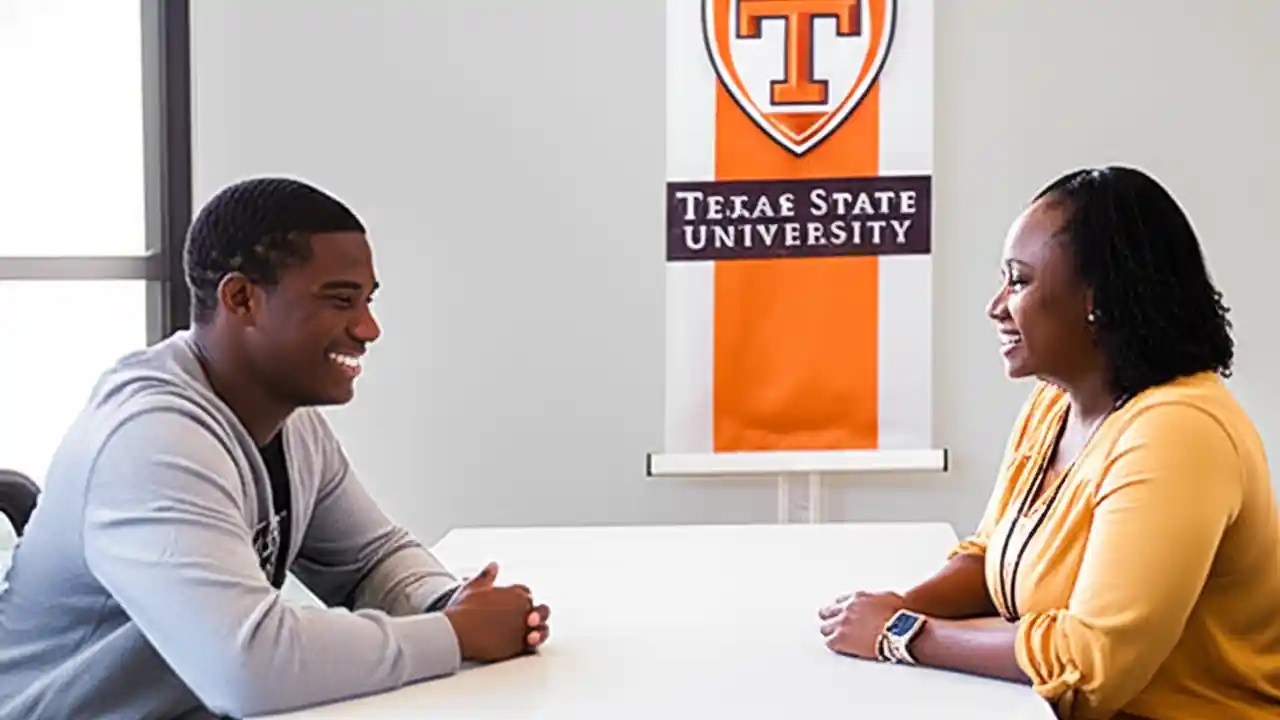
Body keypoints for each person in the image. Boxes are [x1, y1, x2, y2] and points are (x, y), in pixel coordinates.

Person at [0, 177, 551, 719]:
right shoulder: (149, 440)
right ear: (242, 299)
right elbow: (248, 666)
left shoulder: (292, 422)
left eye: (368, 301)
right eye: (341, 300)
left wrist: (446, 601)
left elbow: (369, 560)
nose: (369, 328)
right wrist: (453, 634)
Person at [818, 166, 1280, 719]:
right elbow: (992, 557)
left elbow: (1092, 665)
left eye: (1019, 281)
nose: (996, 306)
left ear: (1099, 299)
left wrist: (904, 635)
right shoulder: (1055, 402)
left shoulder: (1178, 435)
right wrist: (898, 606)